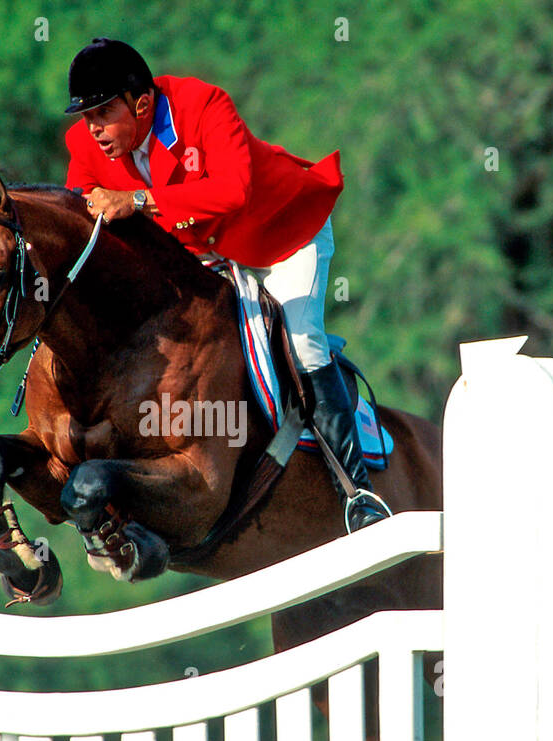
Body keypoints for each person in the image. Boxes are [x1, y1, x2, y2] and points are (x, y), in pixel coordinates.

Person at [61, 37, 389, 531]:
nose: (94, 130)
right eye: (87, 116)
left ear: (143, 103)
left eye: (104, 112)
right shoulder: (86, 145)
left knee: (302, 343)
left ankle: (358, 491)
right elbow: (81, 221)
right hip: (205, 251)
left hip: (281, 235)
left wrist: (141, 201)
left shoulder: (204, 105)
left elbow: (233, 191)